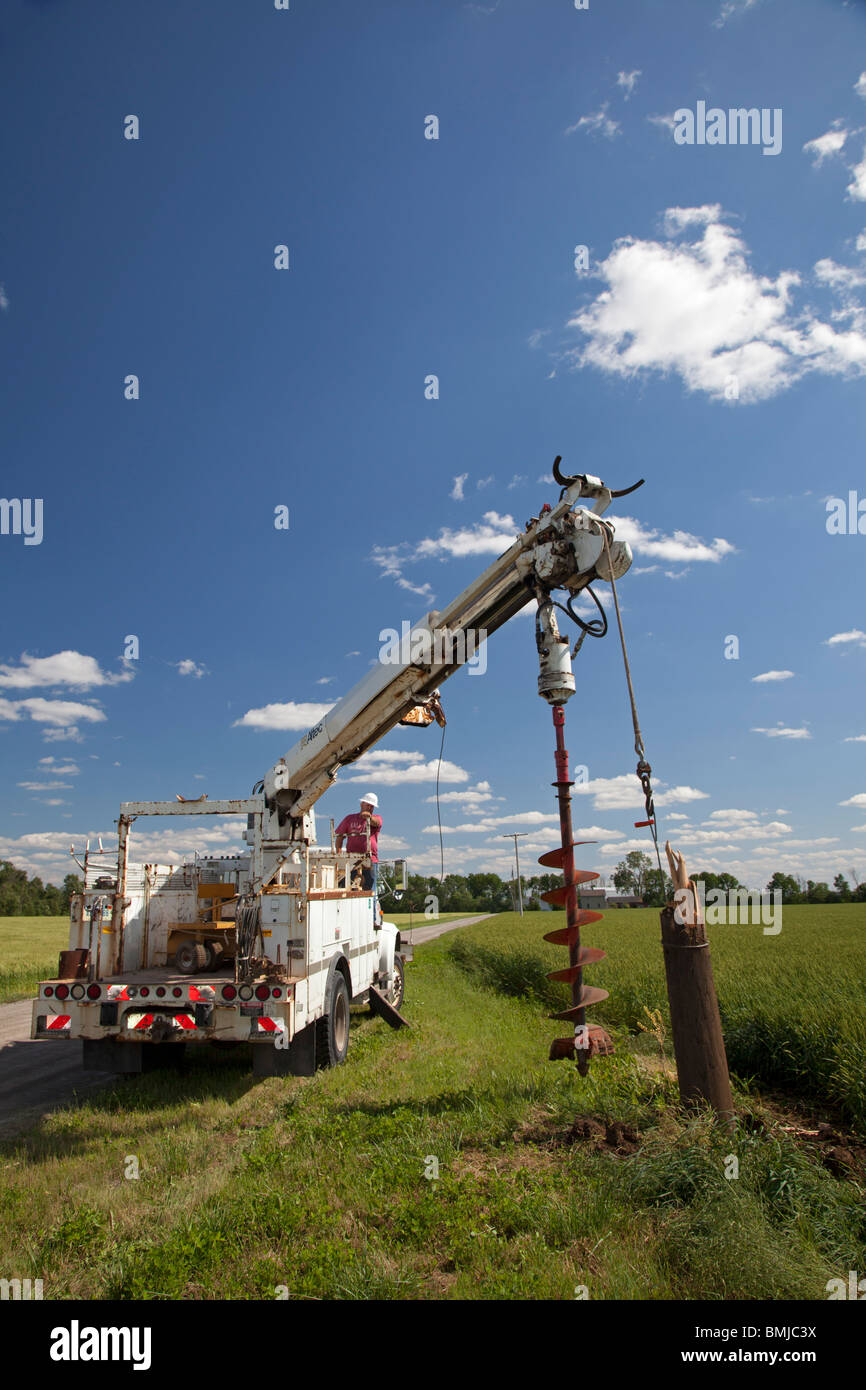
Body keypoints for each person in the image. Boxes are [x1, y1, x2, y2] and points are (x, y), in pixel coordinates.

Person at [335, 793, 382, 898]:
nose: (370, 808)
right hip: (352, 861)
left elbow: (377, 823)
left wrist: (369, 817)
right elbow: (339, 837)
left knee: (371, 891)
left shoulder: (376, 818)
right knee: (350, 889)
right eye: (368, 805)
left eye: (372, 806)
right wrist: (338, 855)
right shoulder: (349, 819)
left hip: (370, 860)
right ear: (362, 804)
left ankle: (372, 912)